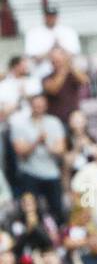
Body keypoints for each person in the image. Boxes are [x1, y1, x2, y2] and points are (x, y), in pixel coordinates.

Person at [8, 91, 66, 221]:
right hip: (30, 172)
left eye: (41, 105)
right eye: (36, 105)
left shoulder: (54, 122)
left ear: (46, 106)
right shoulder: (20, 125)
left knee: (57, 209)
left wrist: (47, 144)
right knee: (31, 210)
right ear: (30, 106)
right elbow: (20, 152)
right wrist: (36, 141)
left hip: (51, 172)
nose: (38, 108)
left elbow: (61, 149)